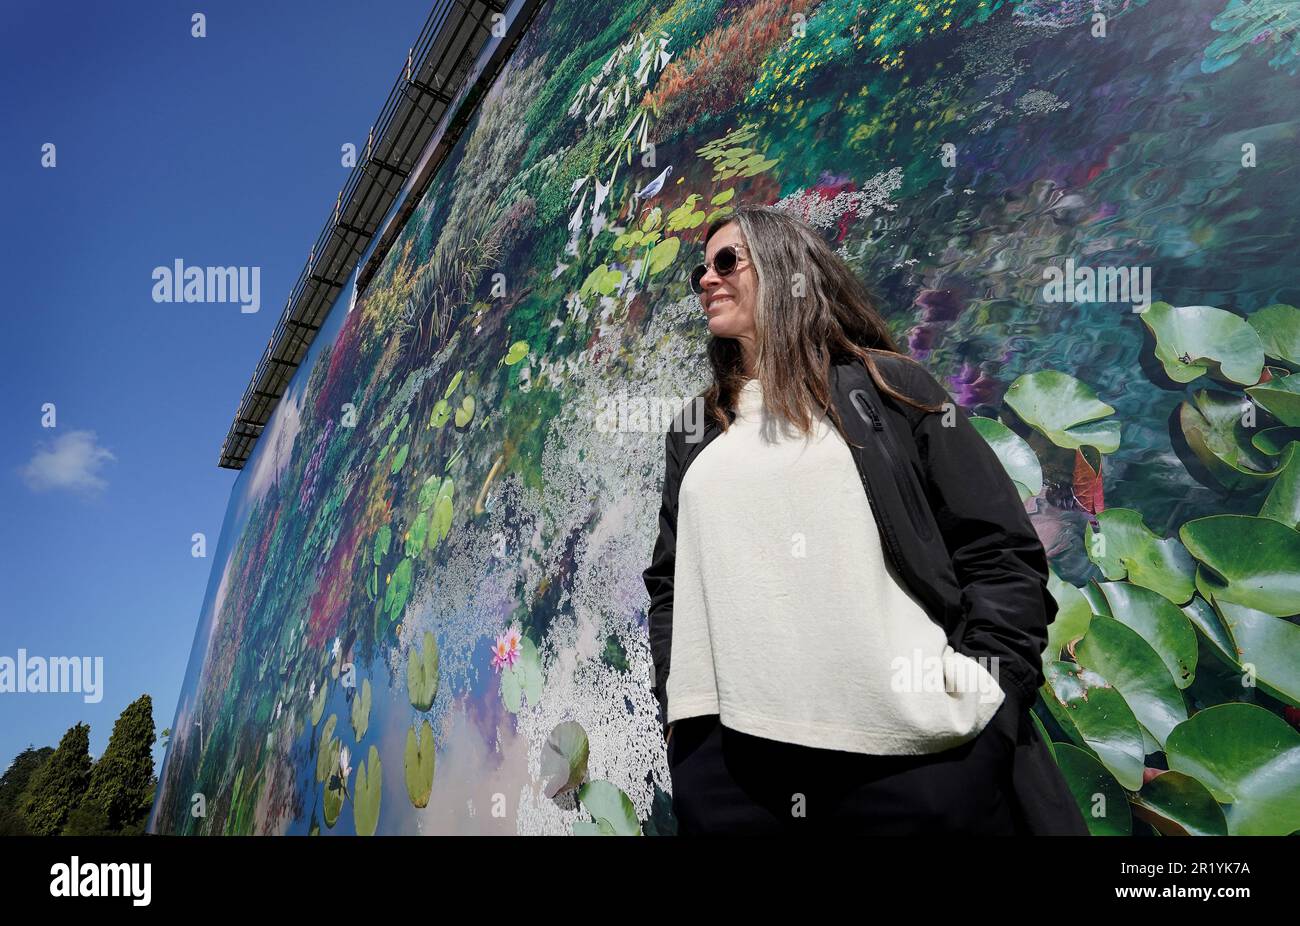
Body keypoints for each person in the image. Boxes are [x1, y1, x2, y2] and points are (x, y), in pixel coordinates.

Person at [642, 204, 1080, 835]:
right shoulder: (696, 428)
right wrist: (678, 714)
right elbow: (670, 584)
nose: (707, 279)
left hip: (907, 757)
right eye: (700, 271)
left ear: (786, 267)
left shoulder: (889, 387)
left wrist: (992, 698)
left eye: (727, 261)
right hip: (732, 771)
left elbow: (997, 550)